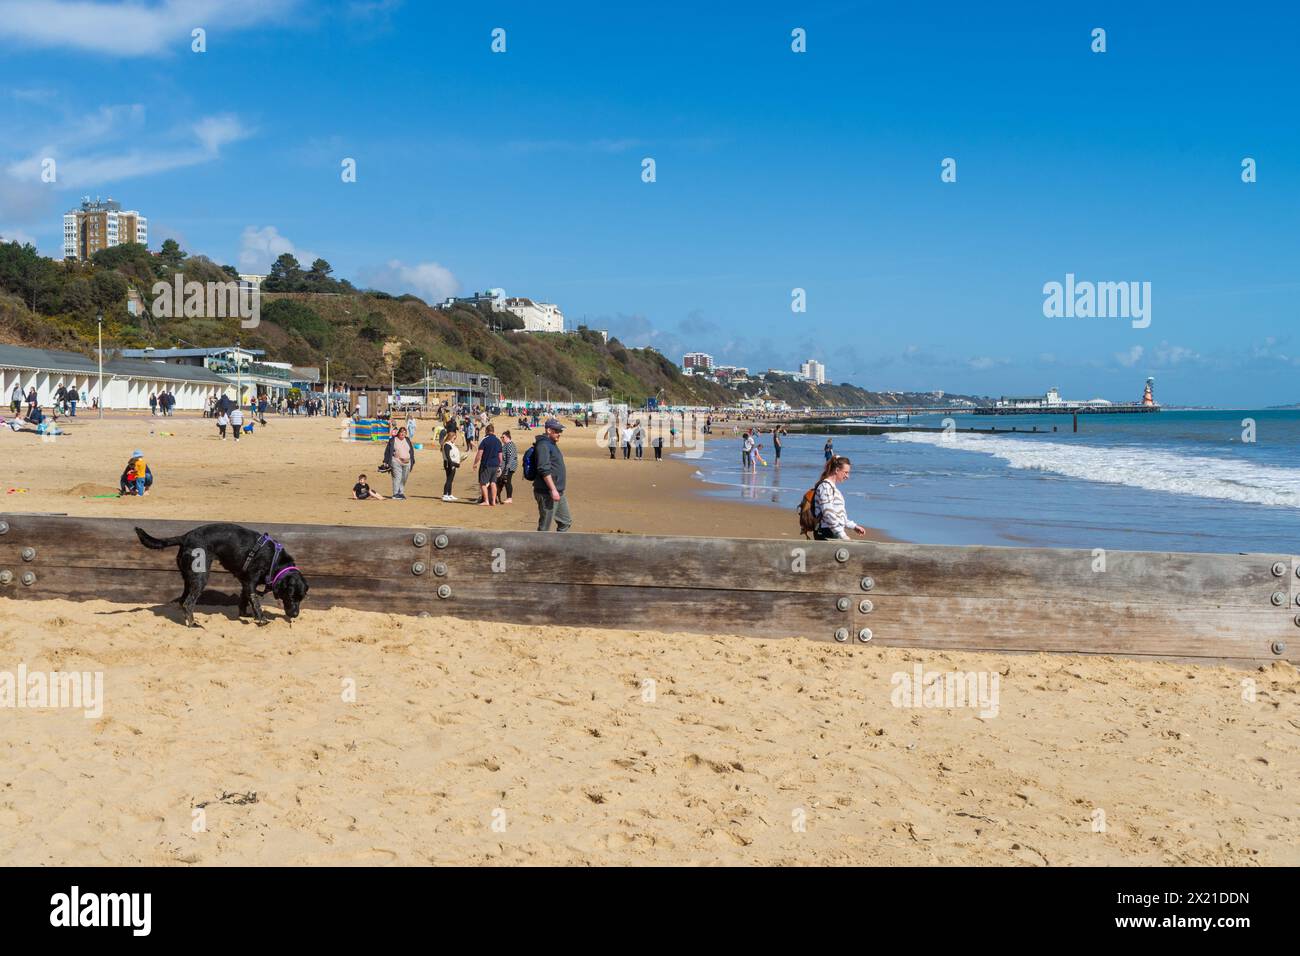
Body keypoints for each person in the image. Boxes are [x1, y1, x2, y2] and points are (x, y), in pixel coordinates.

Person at [812, 456, 867, 541]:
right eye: (846, 472)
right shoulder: (825, 487)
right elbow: (828, 513)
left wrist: (854, 526)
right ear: (837, 470)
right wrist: (842, 535)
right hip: (827, 533)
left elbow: (839, 516)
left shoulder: (833, 488)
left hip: (832, 532)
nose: (847, 476)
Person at [533, 418, 571, 532]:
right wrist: (553, 489)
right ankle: (539, 548)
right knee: (545, 526)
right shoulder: (543, 445)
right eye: (557, 431)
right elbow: (543, 469)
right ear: (548, 430)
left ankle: (557, 547)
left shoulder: (551, 443)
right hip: (547, 492)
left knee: (565, 521)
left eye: (560, 431)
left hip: (558, 491)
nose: (559, 434)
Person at [473, 423, 503, 506]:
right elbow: (500, 455)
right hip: (495, 464)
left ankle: (486, 501)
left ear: (486, 431)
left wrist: (475, 463)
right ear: (493, 431)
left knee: (483, 483)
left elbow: (480, 453)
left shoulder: (484, 440)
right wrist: (500, 465)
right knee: (493, 482)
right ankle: (493, 501)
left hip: (486, 465)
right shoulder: (498, 441)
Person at [384, 425, 414, 500]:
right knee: (397, 477)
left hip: (407, 462)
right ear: (398, 433)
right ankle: (395, 494)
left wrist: (412, 460)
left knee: (404, 478)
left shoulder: (407, 440)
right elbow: (387, 451)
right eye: (401, 432)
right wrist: (386, 461)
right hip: (396, 461)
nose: (402, 434)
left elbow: (411, 451)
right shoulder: (393, 440)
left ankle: (401, 493)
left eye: (404, 432)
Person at [441, 422, 461, 501]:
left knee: (451, 479)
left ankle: (449, 494)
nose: (455, 439)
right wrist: (452, 464)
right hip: (449, 464)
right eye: (454, 438)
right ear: (451, 437)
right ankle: (445, 494)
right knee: (449, 479)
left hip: (453, 464)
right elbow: (448, 456)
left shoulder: (451, 444)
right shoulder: (447, 444)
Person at [496, 430, 518, 504]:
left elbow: (510, 458)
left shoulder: (510, 445)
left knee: (507, 482)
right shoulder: (506, 445)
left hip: (509, 467)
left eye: (503, 437)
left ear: (508, 437)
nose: (502, 438)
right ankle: (497, 497)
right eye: (501, 437)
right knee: (502, 482)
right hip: (505, 467)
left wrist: (506, 469)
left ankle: (509, 498)